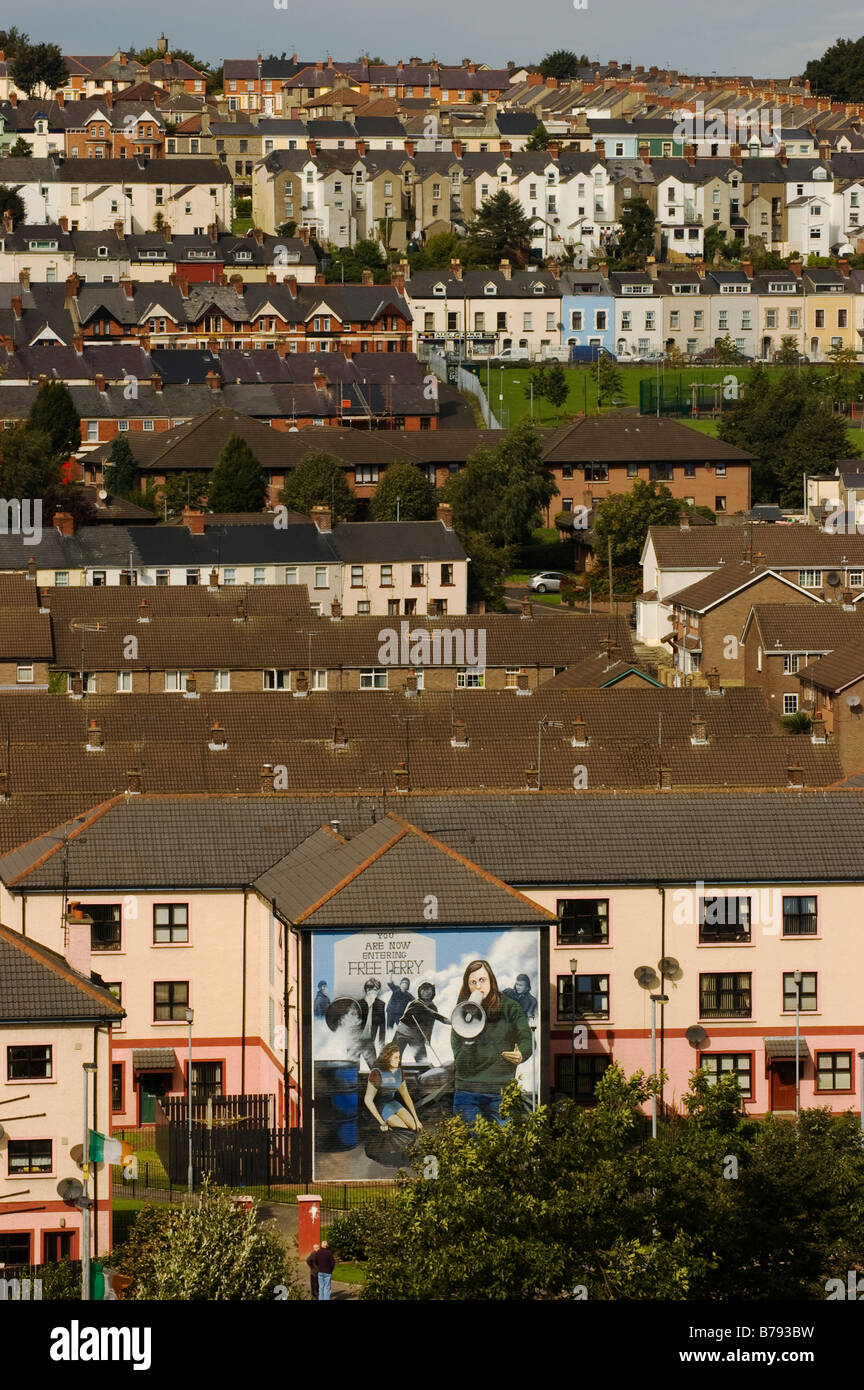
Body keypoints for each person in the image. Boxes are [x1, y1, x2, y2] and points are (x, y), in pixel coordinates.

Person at [451, 959, 532, 1127]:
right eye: (473, 982)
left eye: (482, 980)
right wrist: (469, 1034)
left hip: (500, 1089)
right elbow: (460, 1061)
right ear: (467, 986)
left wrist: (521, 1053)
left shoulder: (510, 1007)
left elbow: (527, 1038)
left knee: (506, 1138)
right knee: (473, 1140)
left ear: (491, 981)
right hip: (467, 1091)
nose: (478, 987)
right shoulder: (461, 1014)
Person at [364, 1042, 423, 1133]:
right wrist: (382, 1123)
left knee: (414, 1127)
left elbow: (406, 1095)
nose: (398, 1060)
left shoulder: (399, 1072)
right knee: (403, 1129)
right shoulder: (376, 1073)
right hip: (380, 1106)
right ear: (387, 1058)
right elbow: (368, 1099)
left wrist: (417, 1119)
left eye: (399, 1057)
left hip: (393, 1103)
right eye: (395, 1057)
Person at [393, 982, 450, 1064]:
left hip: (417, 1035)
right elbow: (432, 1014)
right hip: (402, 1032)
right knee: (393, 1056)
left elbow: (430, 1025)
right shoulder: (416, 1003)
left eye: (428, 991)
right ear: (420, 992)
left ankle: (422, 1075)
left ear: (432, 993)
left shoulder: (433, 1007)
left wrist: (427, 1039)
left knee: (422, 1060)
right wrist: (445, 1020)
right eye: (424, 990)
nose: (426, 993)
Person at [356, 979, 385, 1067]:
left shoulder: (380, 1005)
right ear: (366, 990)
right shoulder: (358, 1004)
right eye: (371, 989)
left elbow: (382, 1025)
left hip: (368, 1042)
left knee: (375, 1070)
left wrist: (382, 1043)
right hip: (354, 1042)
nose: (374, 992)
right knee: (352, 1071)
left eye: (376, 990)